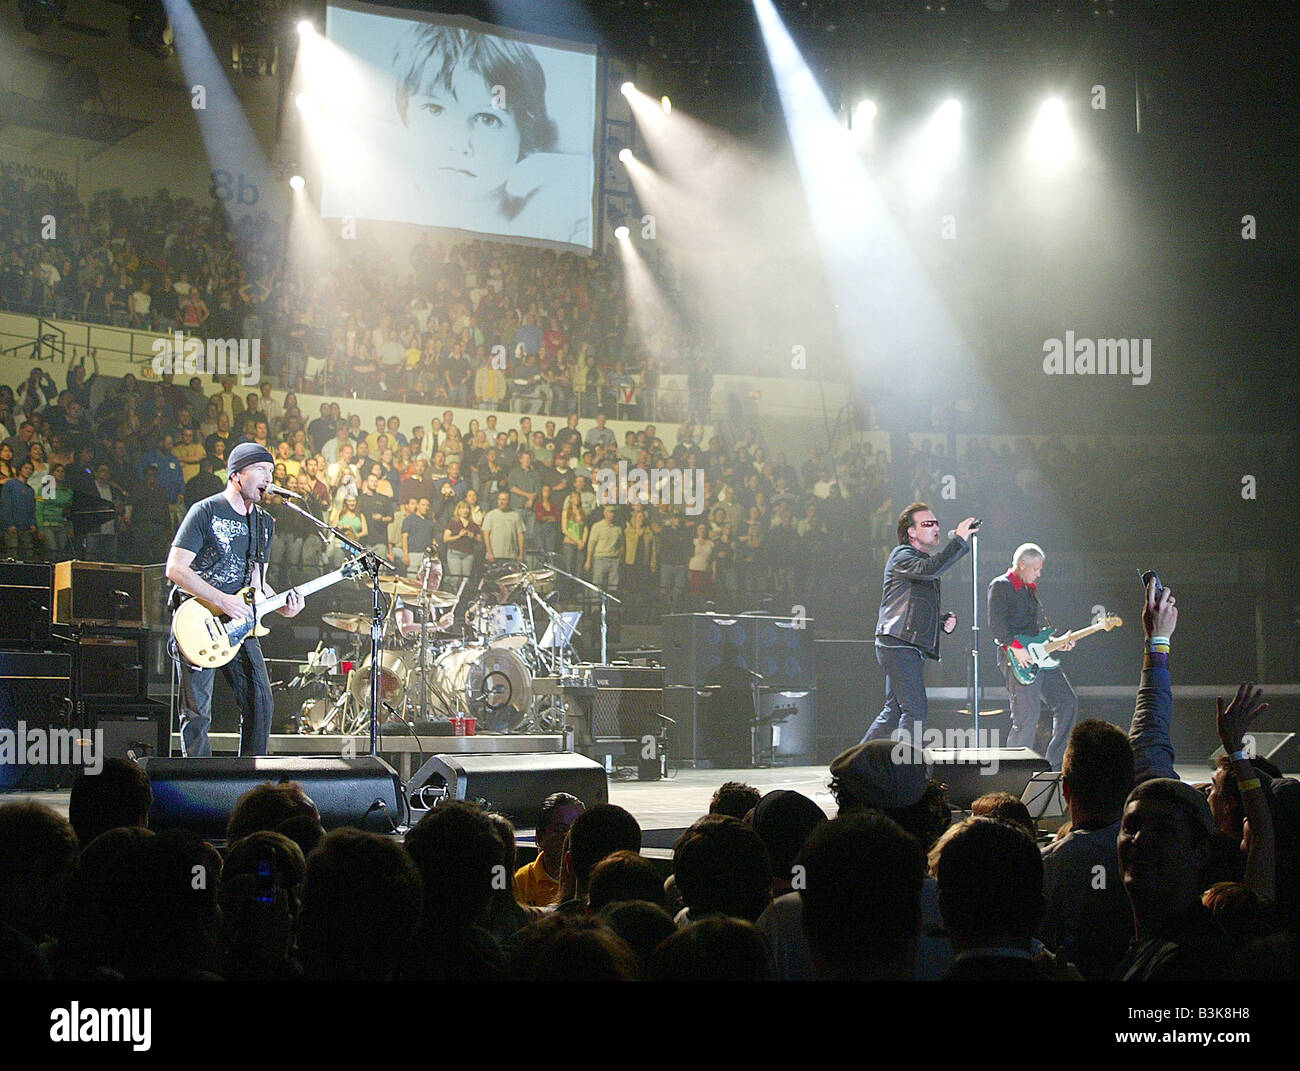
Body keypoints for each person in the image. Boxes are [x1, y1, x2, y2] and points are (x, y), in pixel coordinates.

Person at [165, 442, 305, 757]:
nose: (268, 477)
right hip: (199, 617)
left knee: (261, 701)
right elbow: (175, 568)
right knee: (198, 711)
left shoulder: (265, 523)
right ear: (236, 474)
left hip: (240, 621)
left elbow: (258, 584)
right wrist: (224, 600)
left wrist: (283, 606)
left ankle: (249, 778)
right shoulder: (206, 510)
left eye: (270, 470)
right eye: (260, 469)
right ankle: (199, 785)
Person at [862, 502, 976, 744]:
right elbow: (929, 570)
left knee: (893, 712)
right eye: (928, 524)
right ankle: (907, 770)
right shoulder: (902, 555)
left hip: (902, 643)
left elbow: (916, 607)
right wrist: (958, 541)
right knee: (915, 711)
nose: (935, 528)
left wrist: (940, 621)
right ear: (911, 531)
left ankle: (854, 767)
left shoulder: (920, 562)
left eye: (936, 523)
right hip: (898, 644)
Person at [987, 542, 1079, 769]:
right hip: (1015, 657)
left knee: (1067, 702)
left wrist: (1058, 644)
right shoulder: (1001, 586)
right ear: (1022, 564)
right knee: (1026, 719)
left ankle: (1055, 765)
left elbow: (1036, 633)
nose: (1039, 574)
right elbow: (996, 624)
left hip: (1039, 657)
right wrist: (1015, 647)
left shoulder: (1031, 590)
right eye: (1036, 569)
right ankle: (1015, 772)